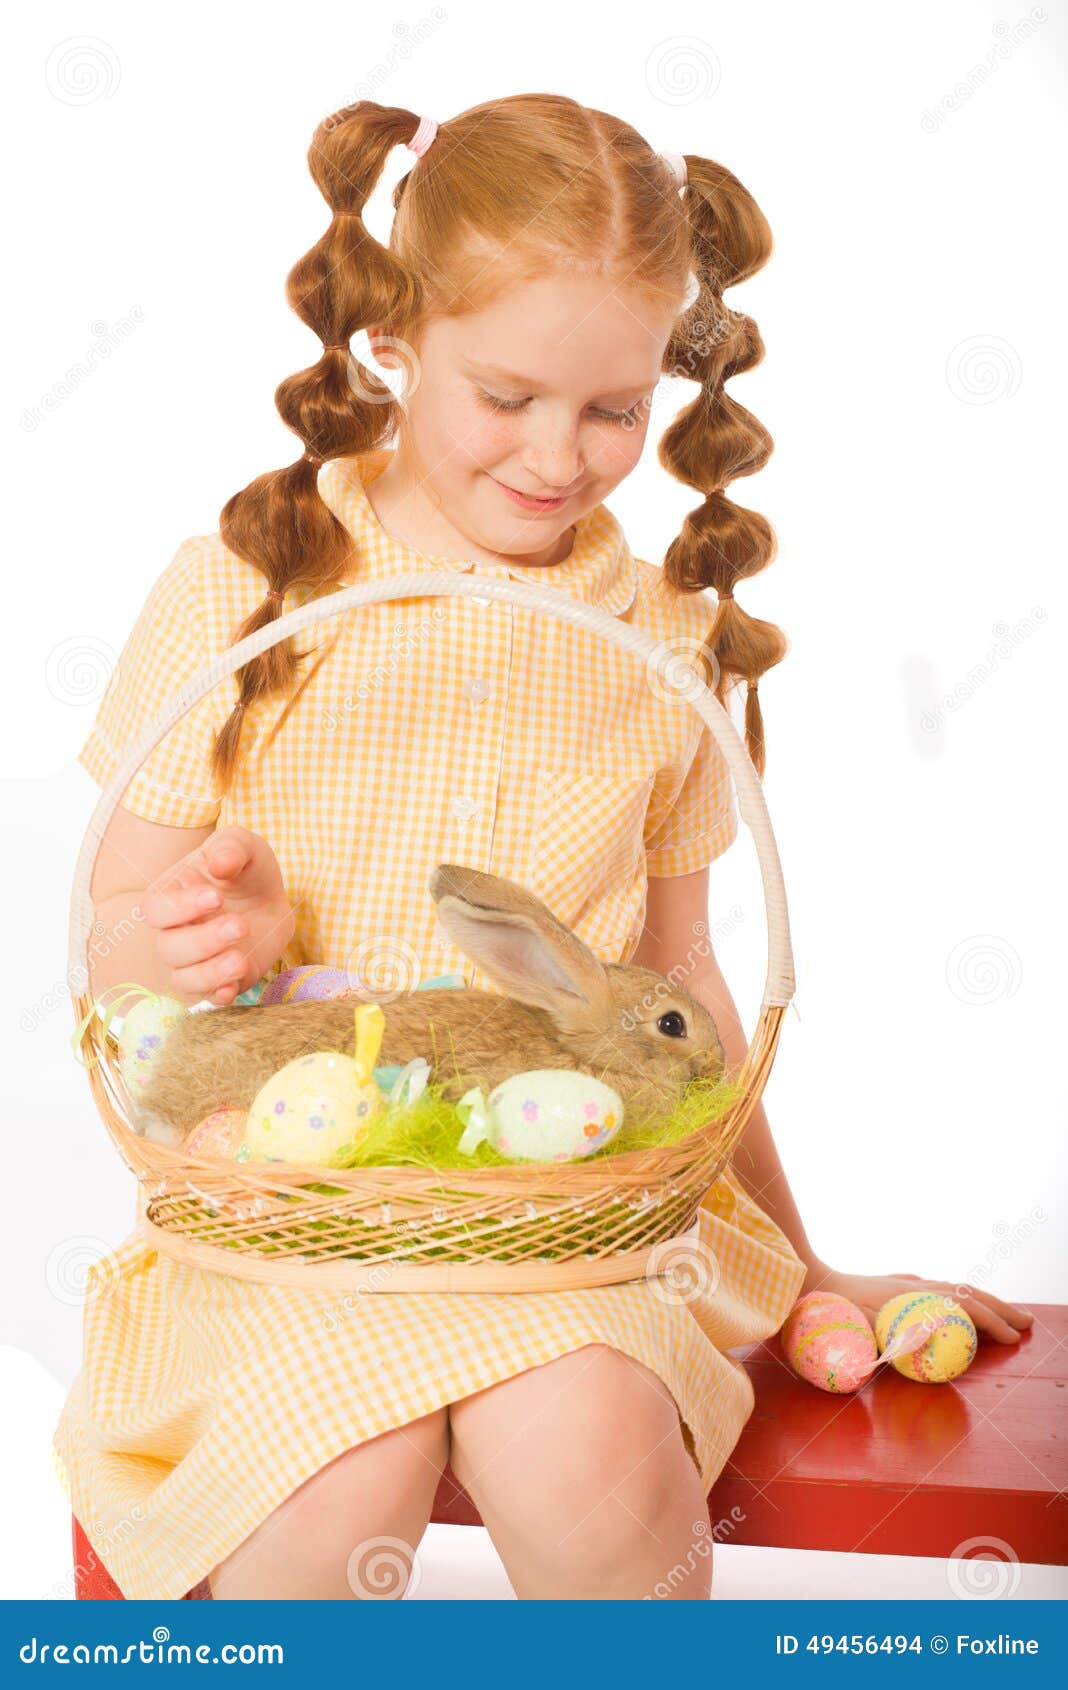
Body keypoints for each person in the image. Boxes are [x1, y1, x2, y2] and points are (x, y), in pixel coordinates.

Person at [53, 94, 1031, 1603]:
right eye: (505, 394)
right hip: (297, 1225)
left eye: (612, 408)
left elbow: (677, 984)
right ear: (395, 340)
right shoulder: (249, 587)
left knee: (594, 1457)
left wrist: (807, 1261)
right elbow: (112, 936)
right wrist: (180, 932)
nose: (561, 454)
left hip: (566, 1231)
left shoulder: (663, 639)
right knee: (337, 1486)